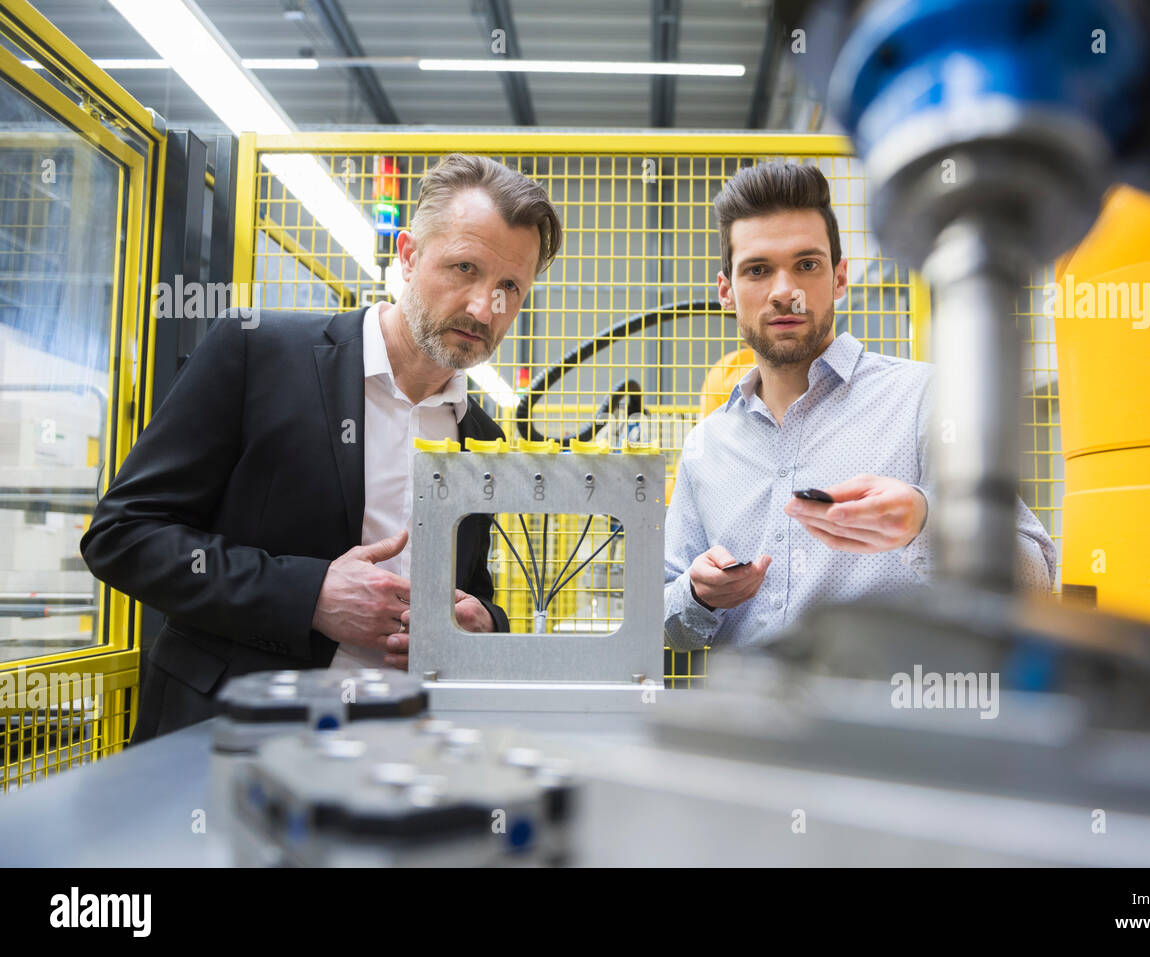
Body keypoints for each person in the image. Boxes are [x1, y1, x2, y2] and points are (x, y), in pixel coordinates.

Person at [81, 154, 562, 741]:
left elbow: (472, 589)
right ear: (408, 256)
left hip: (398, 746)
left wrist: (482, 622)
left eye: (510, 286)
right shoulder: (257, 354)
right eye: (465, 268)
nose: (485, 308)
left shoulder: (479, 436)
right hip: (234, 738)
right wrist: (309, 596)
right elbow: (124, 535)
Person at [663, 162, 1055, 651]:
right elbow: (666, 626)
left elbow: (1037, 580)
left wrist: (926, 522)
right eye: (758, 270)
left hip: (888, 719)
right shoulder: (708, 445)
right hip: (753, 719)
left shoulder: (923, 400)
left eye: (807, 265)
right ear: (727, 291)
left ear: (840, 278)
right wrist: (698, 595)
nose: (785, 291)